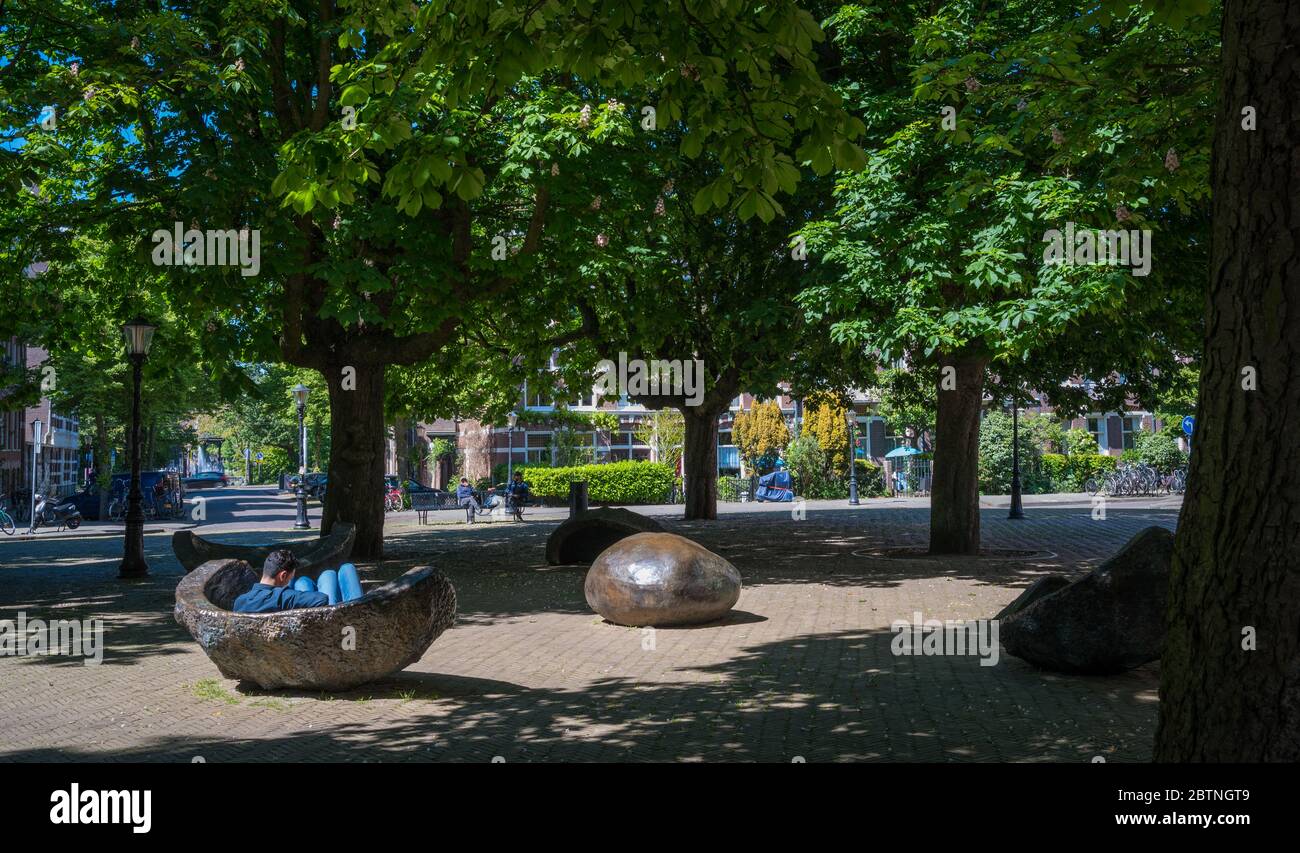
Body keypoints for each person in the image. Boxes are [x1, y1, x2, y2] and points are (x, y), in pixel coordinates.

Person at [232, 550, 329, 613]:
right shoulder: (284, 598)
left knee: (302, 581)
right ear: (283, 575)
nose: (289, 580)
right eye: (290, 578)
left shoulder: (240, 601)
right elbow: (322, 599)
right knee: (329, 575)